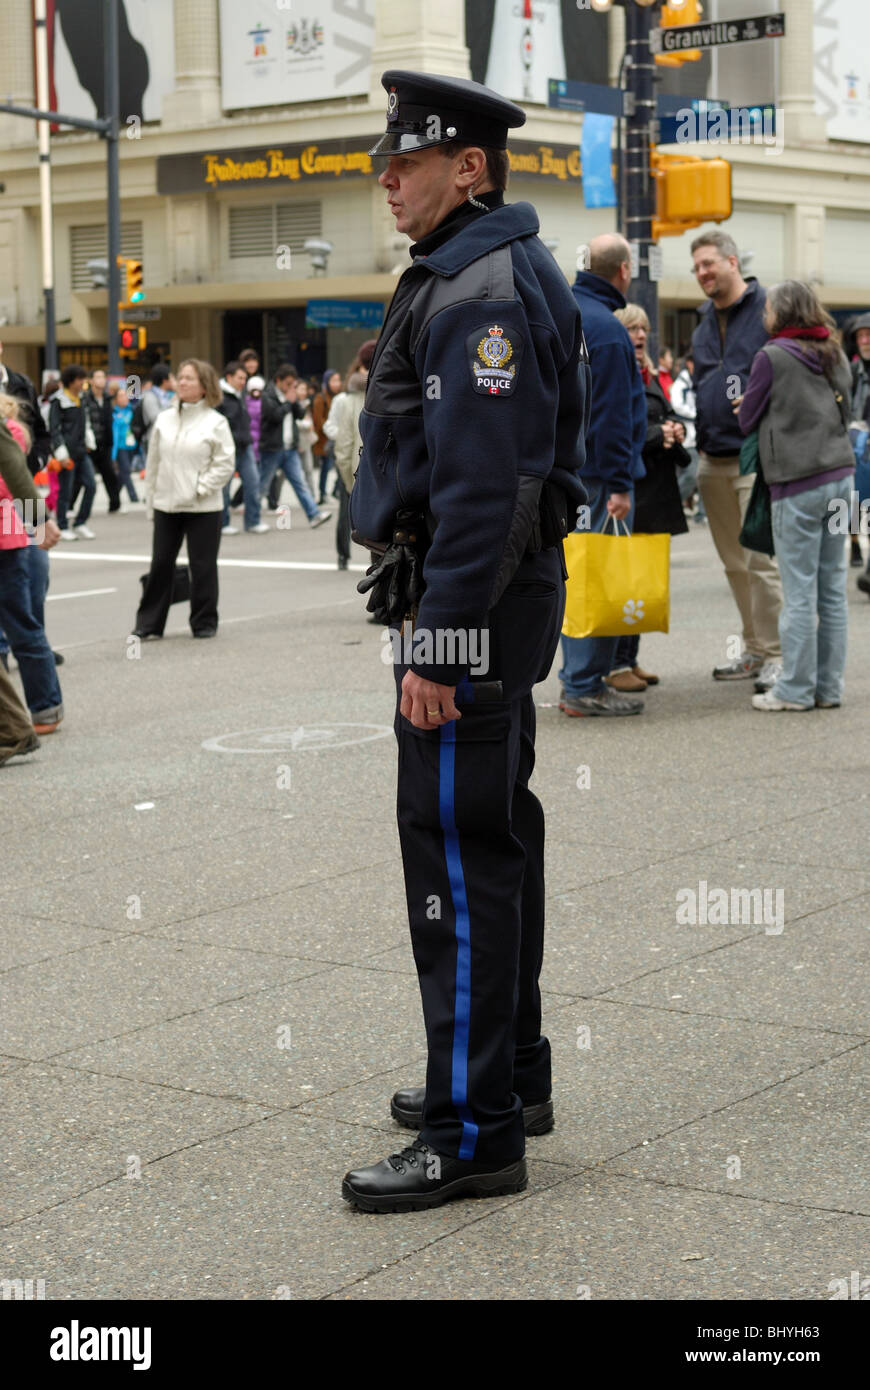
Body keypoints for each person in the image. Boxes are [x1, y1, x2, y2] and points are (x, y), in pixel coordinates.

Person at [343, 70, 588, 1213]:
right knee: (498, 834)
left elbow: (487, 489)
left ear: (470, 167)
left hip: (468, 619)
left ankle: (473, 1128)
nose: (387, 178)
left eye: (407, 159)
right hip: (496, 607)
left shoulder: (479, 289)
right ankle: (510, 1076)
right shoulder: (486, 268)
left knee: (455, 854)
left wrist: (438, 647)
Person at [738, 282, 855, 711]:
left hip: (797, 480)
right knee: (831, 591)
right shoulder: (835, 352)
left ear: (781, 313)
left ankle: (795, 690)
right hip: (841, 475)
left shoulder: (771, 357)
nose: (764, 313)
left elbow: (747, 417)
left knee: (800, 591)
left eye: (768, 307)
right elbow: (845, 407)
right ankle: (828, 688)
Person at [558, 233, 647, 716]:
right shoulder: (609, 331)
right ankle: (583, 686)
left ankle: (581, 679)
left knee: (580, 578)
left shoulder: (564, 312)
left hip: (569, 472)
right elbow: (614, 416)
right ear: (624, 271)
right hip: (598, 478)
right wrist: (619, 484)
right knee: (603, 579)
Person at [691, 230, 783, 686]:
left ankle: (776, 654)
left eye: (708, 263)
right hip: (711, 458)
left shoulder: (768, 307)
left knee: (762, 562)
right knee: (733, 563)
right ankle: (752, 649)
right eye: (696, 268)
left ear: (732, 261)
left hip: (753, 455)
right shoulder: (704, 317)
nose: (702, 273)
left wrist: (763, 398)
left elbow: (796, 366)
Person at [612, 305, 690, 688]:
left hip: (655, 494)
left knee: (641, 583)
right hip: (631, 492)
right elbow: (614, 431)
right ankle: (614, 666)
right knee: (623, 581)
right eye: (631, 328)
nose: (640, 335)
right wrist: (661, 434)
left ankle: (630, 658)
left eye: (643, 328)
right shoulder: (612, 373)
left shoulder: (650, 375)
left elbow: (665, 416)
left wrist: (675, 430)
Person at [134, 359, 235, 640]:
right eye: (180, 377)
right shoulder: (164, 419)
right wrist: (150, 500)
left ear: (204, 386)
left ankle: (204, 621)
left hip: (203, 506)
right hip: (166, 504)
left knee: (202, 566)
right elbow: (153, 462)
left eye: (189, 378)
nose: (182, 382)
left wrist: (201, 487)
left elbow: (225, 464)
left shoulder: (216, 422)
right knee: (160, 563)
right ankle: (149, 623)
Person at [0, 420, 63, 735]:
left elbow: (14, 474)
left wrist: (39, 521)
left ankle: (45, 707)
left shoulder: (12, 430)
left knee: (21, 623)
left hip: (6, 532)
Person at [258, 366, 330, 528]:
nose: (291, 388)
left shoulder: (290, 397)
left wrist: (295, 401)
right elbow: (274, 416)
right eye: (288, 384)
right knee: (262, 485)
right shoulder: (267, 395)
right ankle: (253, 518)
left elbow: (300, 414)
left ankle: (314, 515)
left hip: (290, 449)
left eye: (293, 385)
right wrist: (288, 402)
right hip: (272, 449)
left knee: (300, 483)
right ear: (278, 381)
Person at [327, 345, 376, 570]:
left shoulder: (348, 399)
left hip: (355, 467)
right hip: (386, 472)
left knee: (346, 512)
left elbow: (344, 448)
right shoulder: (395, 389)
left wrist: (349, 479)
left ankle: (343, 555)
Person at [218, 360, 268, 534]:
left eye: (245, 379)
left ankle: (253, 521)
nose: (243, 382)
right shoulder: (219, 396)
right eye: (240, 378)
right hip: (227, 448)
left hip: (245, 446)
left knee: (253, 483)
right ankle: (223, 523)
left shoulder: (240, 395)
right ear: (229, 377)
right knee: (224, 487)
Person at [49, 364, 98, 540]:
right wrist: (60, 453)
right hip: (66, 454)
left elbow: (87, 423)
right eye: (79, 379)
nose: (82, 383)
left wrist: (89, 441)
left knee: (91, 486)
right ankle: (62, 525)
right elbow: (54, 429)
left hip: (81, 450)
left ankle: (80, 522)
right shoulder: (58, 400)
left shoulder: (82, 398)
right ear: (71, 381)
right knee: (65, 490)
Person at [0, 341, 51, 476]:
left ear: (0, 347)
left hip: (23, 472)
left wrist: (38, 460)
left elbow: (40, 429)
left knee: (29, 498)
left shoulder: (24, 385)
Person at [670, 351, 706, 523]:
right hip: (688, 437)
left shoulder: (698, 380)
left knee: (703, 475)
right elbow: (677, 406)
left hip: (701, 435)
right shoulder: (681, 384)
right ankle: (672, 504)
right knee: (692, 474)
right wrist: (695, 415)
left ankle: (702, 513)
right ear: (690, 363)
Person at [849, 311, 870, 586]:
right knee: (852, 501)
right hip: (852, 443)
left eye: (869, 334)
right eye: (861, 336)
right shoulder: (851, 370)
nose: (865, 340)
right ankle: (854, 543)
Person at [82, 367, 120, 514]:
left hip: (105, 443)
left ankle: (115, 504)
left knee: (109, 475)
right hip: (90, 444)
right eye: (97, 377)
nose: (101, 380)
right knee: (83, 478)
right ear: (91, 381)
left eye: (103, 377)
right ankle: (70, 506)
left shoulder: (107, 398)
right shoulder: (85, 398)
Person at [313, 369, 342, 504]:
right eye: (334, 381)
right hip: (325, 440)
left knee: (337, 466)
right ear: (327, 382)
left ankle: (335, 490)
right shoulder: (321, 398)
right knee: (326, 467)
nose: (337, 384)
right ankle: (323, 493)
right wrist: (331, 427)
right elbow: (318, 422)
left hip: (336, 438)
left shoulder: (340, 397)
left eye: (338, 380)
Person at [111, 387, 140, 505]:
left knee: (123, 473)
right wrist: (113, 453)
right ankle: (134, 497)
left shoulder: (133, 410)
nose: (124, 398)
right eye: (121, 396)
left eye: (125, 395)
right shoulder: (114, 413)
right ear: (116, 399)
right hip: (120, 447)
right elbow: (114, 433)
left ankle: (114, 493)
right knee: (126, 470)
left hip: (132, 446)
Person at [139, 364, 176, 453]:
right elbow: (156, 418)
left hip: (168, 440)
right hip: (154, 440)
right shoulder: (150, 396)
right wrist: (173, 403)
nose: (174, 381)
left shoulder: (167, 395)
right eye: (171, 378)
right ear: (164, 380)